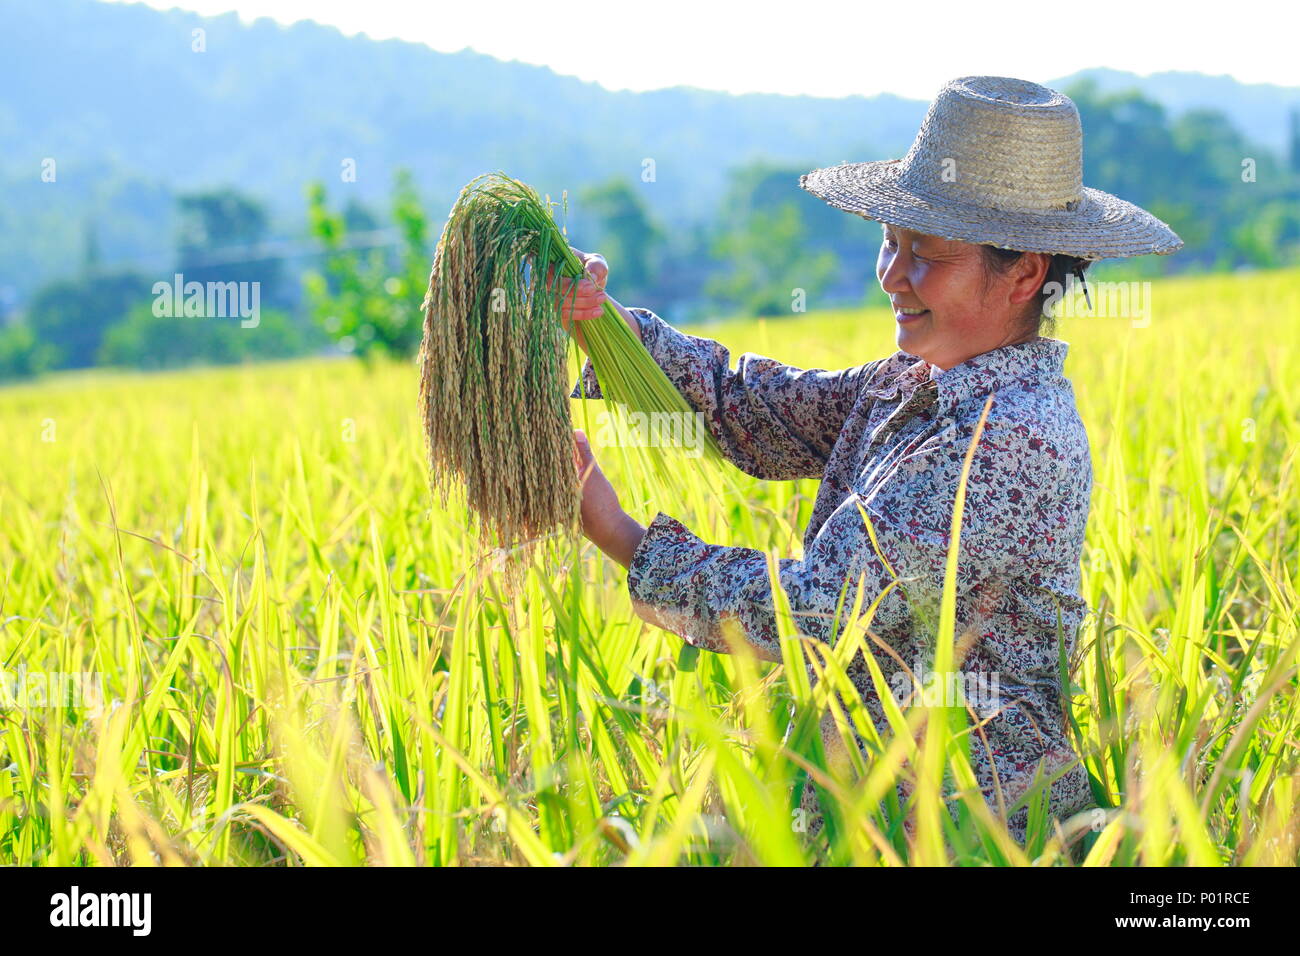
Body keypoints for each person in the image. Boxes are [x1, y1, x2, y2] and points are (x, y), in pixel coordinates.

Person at [557, 76, 1182, 846]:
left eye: (930, 255)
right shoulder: (914, 382)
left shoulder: (1012, 439)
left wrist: (621, 536)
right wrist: (607, 330)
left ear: (1023, 272)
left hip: (972, 827)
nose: (891, 275)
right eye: (892, 242)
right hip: (872, 805)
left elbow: (820, 615)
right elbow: (750, 409)